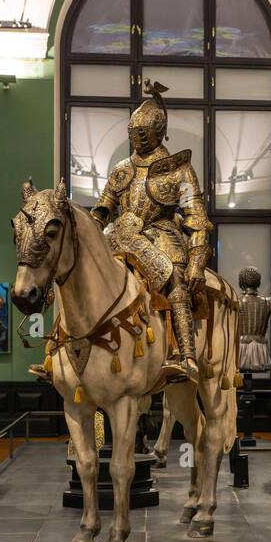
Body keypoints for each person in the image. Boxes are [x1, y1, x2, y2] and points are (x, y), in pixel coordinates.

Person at [90, 80, 211, 381]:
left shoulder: (179, 170)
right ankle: (64, 347)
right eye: (133, 133)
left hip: (162, 239)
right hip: (119, 238)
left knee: (176, 287)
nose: (137, 138)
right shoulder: (121, 169)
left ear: (158, 132)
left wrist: (196, 263)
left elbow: (196, 219)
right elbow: (101, 211)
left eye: (142, 133)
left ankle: (186, 357)